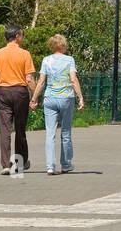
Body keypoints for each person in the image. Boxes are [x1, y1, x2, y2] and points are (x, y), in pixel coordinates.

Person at [31, 34, 83, 175]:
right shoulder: (69, 60)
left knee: (50, 133)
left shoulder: (46, 60)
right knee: (65, 132)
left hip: (50, 98)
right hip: (66, 98)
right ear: (63, 46)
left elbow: (41, 82)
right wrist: (80, 97)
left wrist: (34, 98)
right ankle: (65, 164)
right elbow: (73, 79)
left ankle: (50, 166)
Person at [0, 25, 35, 175]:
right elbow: (29, 79)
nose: (22, 38)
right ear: (17, 36)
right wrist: (34, 97)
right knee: (20, 129)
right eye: (21, 35)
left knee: (5, 129)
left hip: (3, 91)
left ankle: (6, 164)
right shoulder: (25, 54)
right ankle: (20, 163)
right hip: (20, 92)